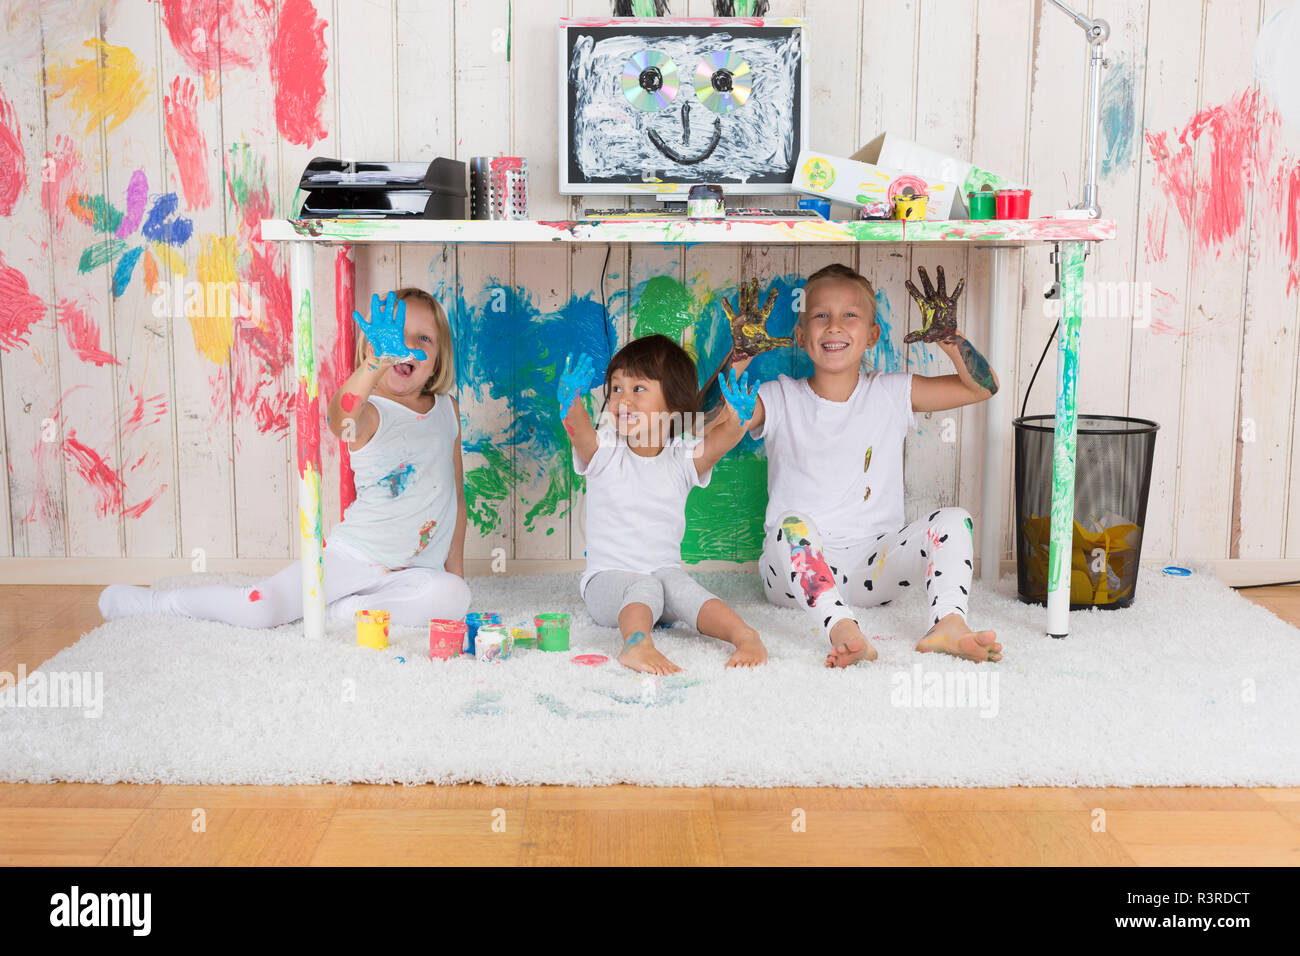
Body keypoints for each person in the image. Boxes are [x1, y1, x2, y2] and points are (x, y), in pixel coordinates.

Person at [98, 288, 471, 629]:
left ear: (437, 358)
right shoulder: (372, 413)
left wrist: (455, 573)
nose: (405, 347)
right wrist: (374, 366)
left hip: (413, 573)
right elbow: (339, 419)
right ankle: (158, 602)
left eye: (423, 339)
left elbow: (456, 499)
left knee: (454, 598)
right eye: (396, 336)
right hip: (356, 557)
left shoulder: (447, 411)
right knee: (259, 609)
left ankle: (336, 612)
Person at [738, 262, 1003, 667]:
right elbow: (716, 420)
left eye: (850, 315)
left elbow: (983, 387)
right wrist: (737, 356)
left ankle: (949, 623)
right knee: (791, 526)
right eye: (820, 315)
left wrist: (950, 338)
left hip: (874, 568)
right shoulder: (778, 397)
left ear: (872, 335)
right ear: (800, 336)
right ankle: (841, 627)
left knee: (954, 519)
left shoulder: (891, 393)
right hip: (795, 576)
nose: (834, 326)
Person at [559, 334, 767, 673]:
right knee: (645, 585)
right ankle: (636, 644)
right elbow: (580, 433)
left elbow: (718, 442)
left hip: (663, 578)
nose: (622, 399)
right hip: (606, 585)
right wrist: (572, 405)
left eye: (638, 389)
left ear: (673, 407)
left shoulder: (681, 458)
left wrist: (736, 421)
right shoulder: (606, 451)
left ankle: (744, 635)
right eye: (615, 388)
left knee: (679, 585)